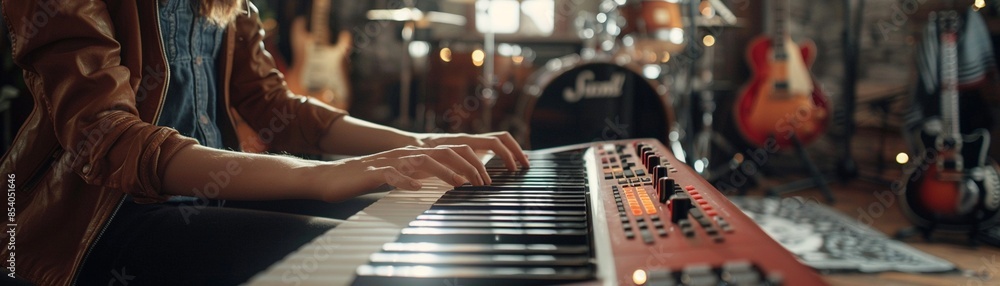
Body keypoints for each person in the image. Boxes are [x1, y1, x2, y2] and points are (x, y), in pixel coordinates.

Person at [0, 0, 528, 285]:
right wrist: (322, 176)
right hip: (95, 225)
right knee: (375, 263)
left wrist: (420, 141)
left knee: (418, 218)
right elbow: (109, 140)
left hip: (209, 196)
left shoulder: (233, 5)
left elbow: (277, 107)